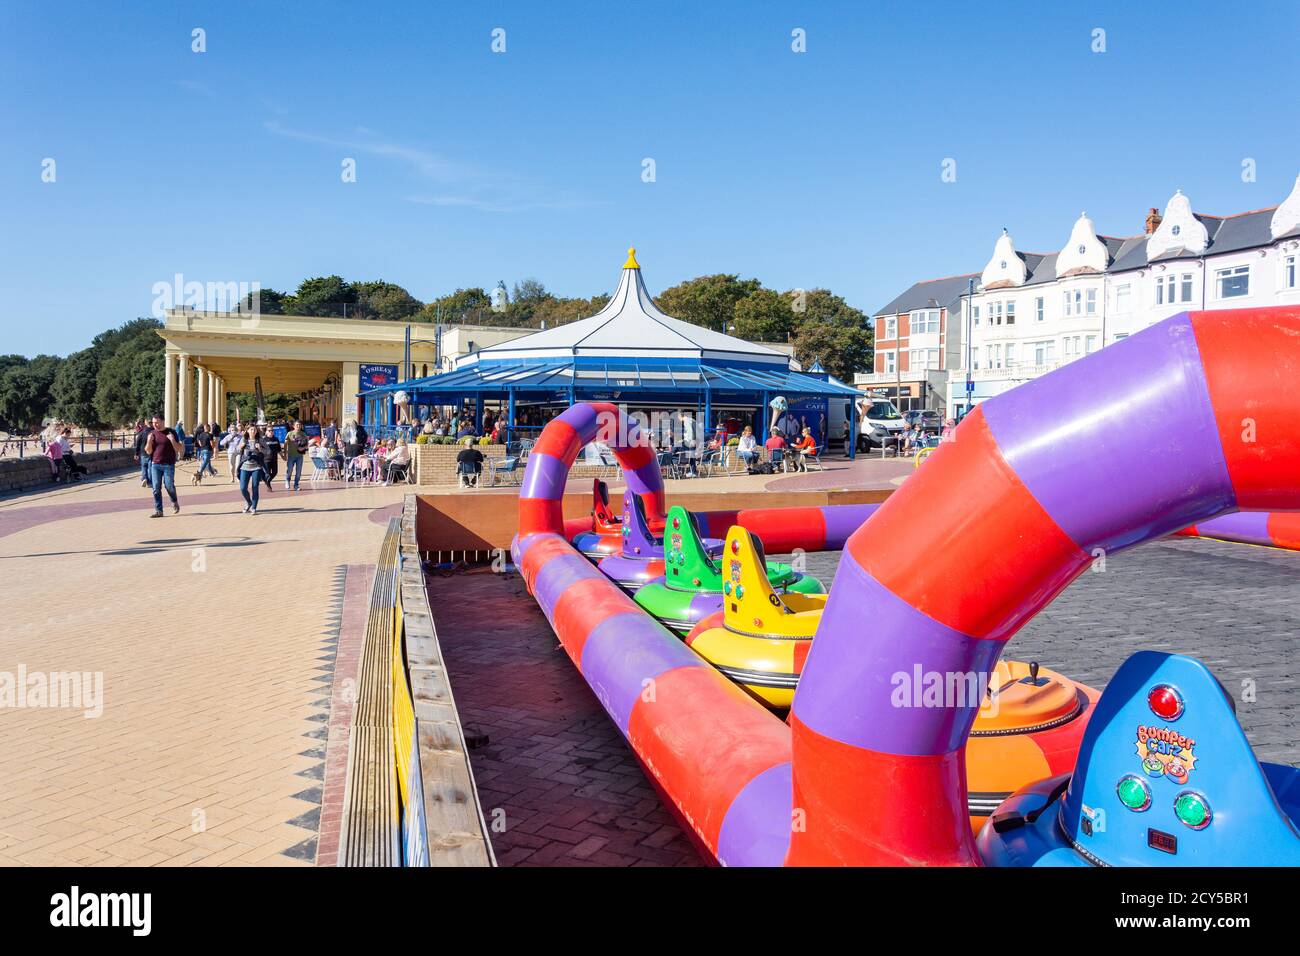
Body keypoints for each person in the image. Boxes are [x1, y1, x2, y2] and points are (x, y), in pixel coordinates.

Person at [144, 413, 183, 517]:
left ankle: (174, 501)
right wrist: (149, 441)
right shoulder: (151, 434)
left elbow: (179, 448)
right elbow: (148, 451)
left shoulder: (171, 432)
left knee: (169, 486)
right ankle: (159, 511)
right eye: (153, 423)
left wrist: (172, 440)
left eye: (157, 422)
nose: (155, 425)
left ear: (162, 421)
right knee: (156, 488)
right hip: (155, 465)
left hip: (168, 465)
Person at [234, 425, 271, 514]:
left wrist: (260, 448)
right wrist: (240, 447)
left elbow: (268, 451)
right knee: (243, 488)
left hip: (256, 467)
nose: (253, 431)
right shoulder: (244, 439)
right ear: (247, 431)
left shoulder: (260, 440)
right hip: (245, 467)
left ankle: (254, 507)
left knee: (255, 487)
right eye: (251, 429)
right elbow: (236, 451)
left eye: (254, 429)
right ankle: (248, 502)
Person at [283, 420, 308, 490]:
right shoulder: (289, 433)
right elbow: (285, 444)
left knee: (298, 472)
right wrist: (285, 454)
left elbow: (307, 445)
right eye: (297, 425)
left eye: (299, 425)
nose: (298, 426)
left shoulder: (303, 434)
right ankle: (287, 480)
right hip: (291, 455)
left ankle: (296, 485)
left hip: (300, 456)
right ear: (293, 426)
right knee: (290, 470)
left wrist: (302, 448)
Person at [134, 421, 153, 486]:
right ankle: (150, 482)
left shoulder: (141, 433)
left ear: (145, 425)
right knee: (150, 468)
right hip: (151, 453)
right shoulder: (154, 432)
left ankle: (144, 478)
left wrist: (136, 454)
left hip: (143, 453)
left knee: (144, 466)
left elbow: (137, 444)